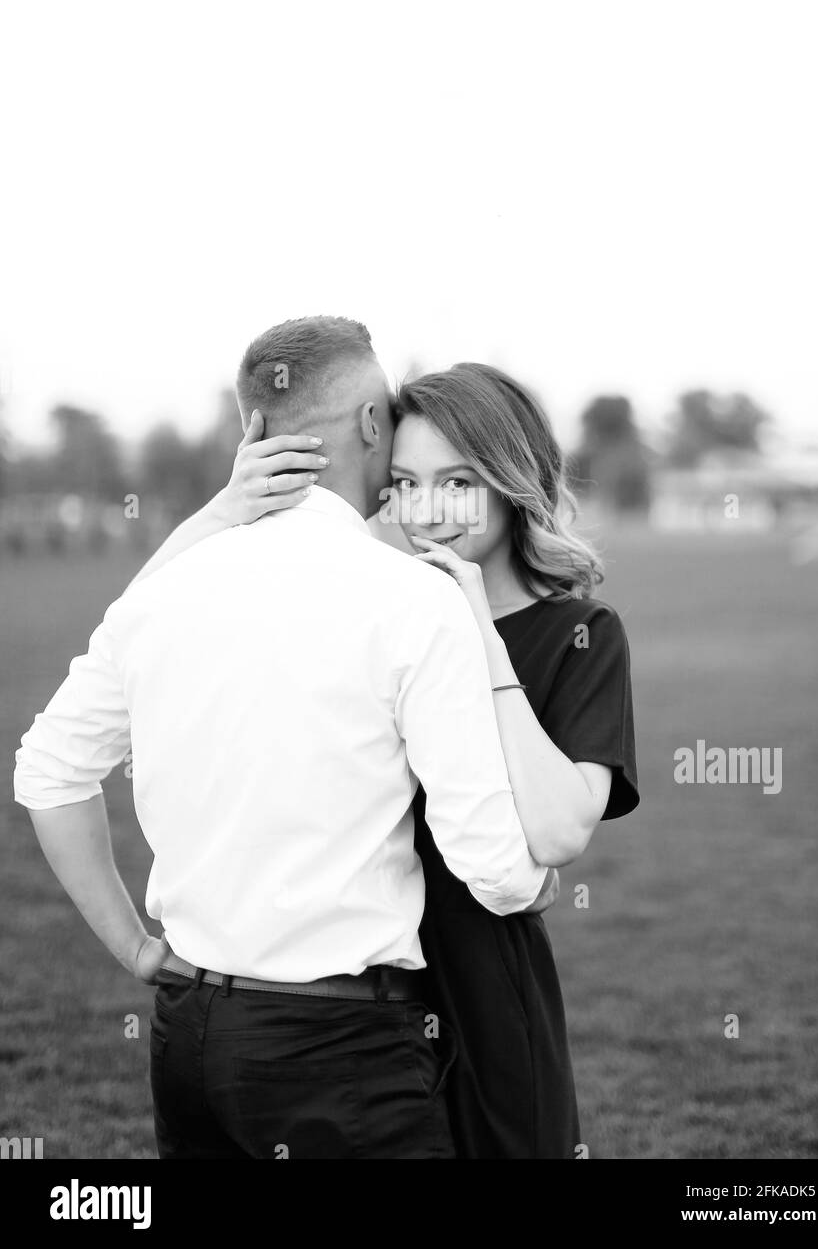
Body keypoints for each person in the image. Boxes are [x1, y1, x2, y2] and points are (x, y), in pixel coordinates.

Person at [13, 316, 556, 1160]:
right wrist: (538, 877)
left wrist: (132, 945)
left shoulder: (162, 588)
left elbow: (48, 774)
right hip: (338, 1053)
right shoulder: (415, 598)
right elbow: (492, 868)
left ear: (253, 431)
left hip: (187, 1040)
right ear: (373, 426)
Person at [132, 341, 640, 1159]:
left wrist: (477, 628)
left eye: (456, 484)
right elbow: (140, 631)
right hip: (354, 1002)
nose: (426, 510)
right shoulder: (378, 610)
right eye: (404, 484)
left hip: (481, 985)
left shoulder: (579, 634)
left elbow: (556, 835)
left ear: (511, 485)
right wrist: (223, 513)